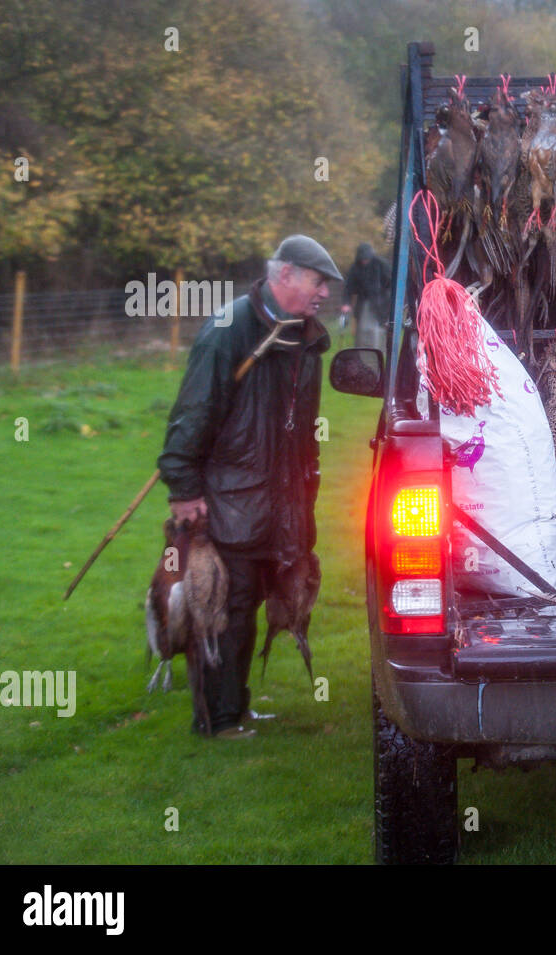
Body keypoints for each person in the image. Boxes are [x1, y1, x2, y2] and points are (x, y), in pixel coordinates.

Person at [157, 235, 340, 739]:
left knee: (252, 601)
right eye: (317, 281)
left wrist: (307, 489)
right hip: (229, 499)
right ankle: (215, 719)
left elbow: (305, 429)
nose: (324, 292)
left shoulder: (305, 338)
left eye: (326, 284)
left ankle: (235, 709)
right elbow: (193, 413)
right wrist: (183, 487)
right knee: (225, 610)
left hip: (278, 503)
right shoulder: (228, 328)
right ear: (286, 276)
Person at [340, 241, 392, 352]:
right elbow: (348, 287)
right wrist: (346, 303)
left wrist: (388, 301)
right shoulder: (355, 268)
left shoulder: (381, 265)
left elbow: (392, 284)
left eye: (366, 259)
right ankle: (362, 356)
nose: (364, 261)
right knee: (363, 332)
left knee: (377, 333)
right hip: (364, 304)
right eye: (362, 259)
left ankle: (377, 356)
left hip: (382, 305)